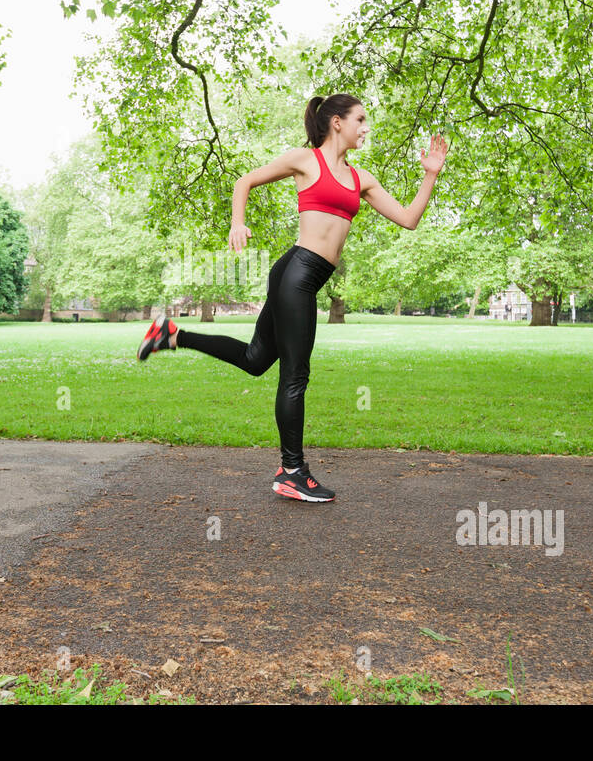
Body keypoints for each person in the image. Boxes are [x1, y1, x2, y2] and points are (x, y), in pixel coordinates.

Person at [138, 93, 448, 502]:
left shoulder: (362, 179)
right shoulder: (306, 160)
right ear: (337, 122)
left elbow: (408, 219)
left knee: (255, 360)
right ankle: (292, 471)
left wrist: (430, 174)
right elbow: (244, 180)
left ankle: (171, 334)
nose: (365, 127)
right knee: (295, 376)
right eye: (361, 119)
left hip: (302, 275)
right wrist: (238, 223)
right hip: (297, 274)